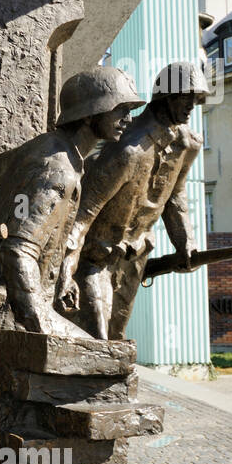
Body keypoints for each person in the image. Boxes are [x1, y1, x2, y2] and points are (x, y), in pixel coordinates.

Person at [0, 66, 143, 337]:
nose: (128, 118)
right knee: (101, 354)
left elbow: (4, 162)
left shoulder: (51, 146)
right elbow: (17, 252)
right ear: (90, 115)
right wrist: (41, 322)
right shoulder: (58, 171)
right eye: (120, 109)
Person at [59, 61, 208, 339]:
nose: (190, 107)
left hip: (134, 258)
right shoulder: (127, 149)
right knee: (95, 338)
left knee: (116, 336)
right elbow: (82, 215)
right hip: (94, 258)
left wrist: (185, 241)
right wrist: (66, 270)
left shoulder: (188, 144)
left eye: (195, 100)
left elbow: (174, 195)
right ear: (164, 98)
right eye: (184, 98)